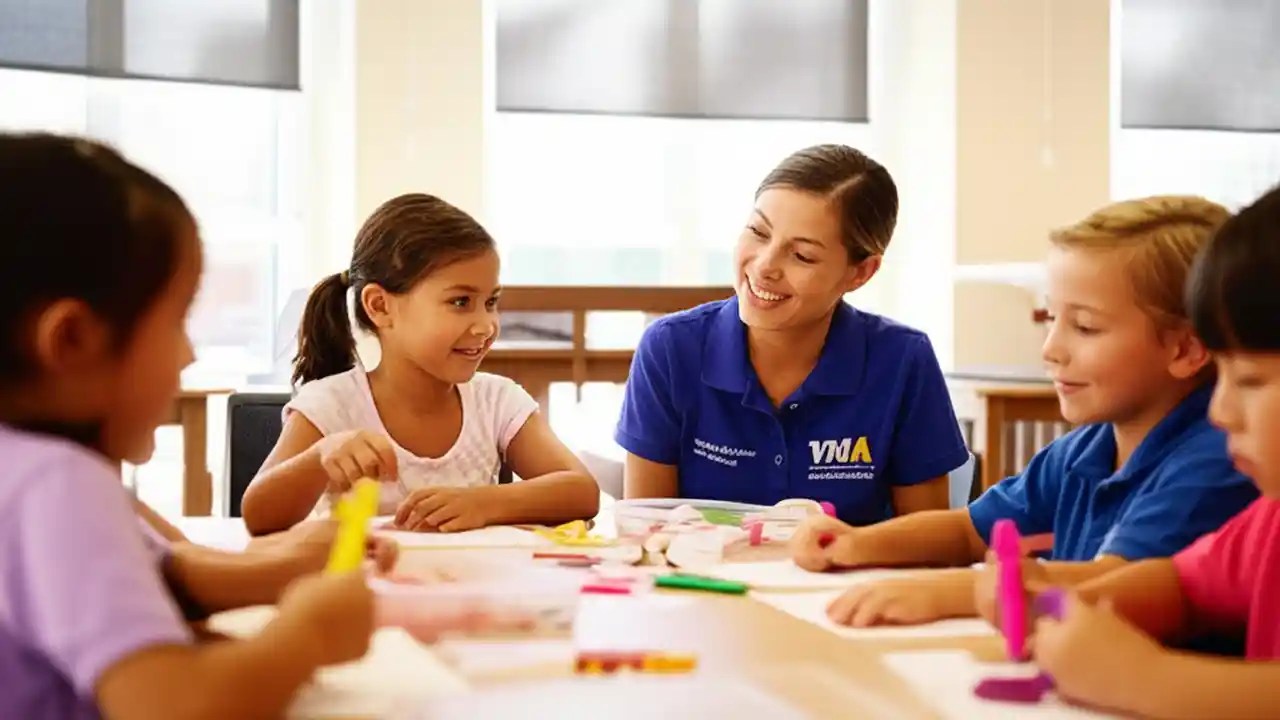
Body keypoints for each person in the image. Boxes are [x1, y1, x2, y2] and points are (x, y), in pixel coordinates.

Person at [0, 133, 373, 718]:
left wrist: (279, 573)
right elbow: (175, 706)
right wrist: (310, 636)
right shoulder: (57, 483)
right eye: (176, 322)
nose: (187, 355)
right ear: (71, 340)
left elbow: (159, 580)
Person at [790, 196, 1257, 627]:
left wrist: (954, 592)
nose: (1051, 349)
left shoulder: (1220, 457)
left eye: (1086, 326)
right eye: (1052, 318)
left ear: (1185, 349)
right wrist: (856, 542)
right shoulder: (1085, 449)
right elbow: (969, 531)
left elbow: (1118, 585)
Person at [1008, 185, 1280, 719]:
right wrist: (1058, 606)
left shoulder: (1213, 463)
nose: (1221, 411)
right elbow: (1182, 586)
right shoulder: (1268, 523)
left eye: (1248, 379)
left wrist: (1142, 678)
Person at [615, 144, 968, 525]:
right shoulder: (670, 349)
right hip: (700, 581)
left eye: (801, 255)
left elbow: (924, 546)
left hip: (849, 583)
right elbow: (645, 535)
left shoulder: (902, 361)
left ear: (860, 272)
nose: (765, 266)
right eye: (758, 231)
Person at [242, 193, 599, 535]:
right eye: (460, 302)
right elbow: (257, 515)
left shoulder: (497, 401)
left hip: (468, 592)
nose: (486, 325)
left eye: (490, 302)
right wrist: (318, 460)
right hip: (362, 594)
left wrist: (484, 503)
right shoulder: (330, 405)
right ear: (380, 307)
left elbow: (582, 491)